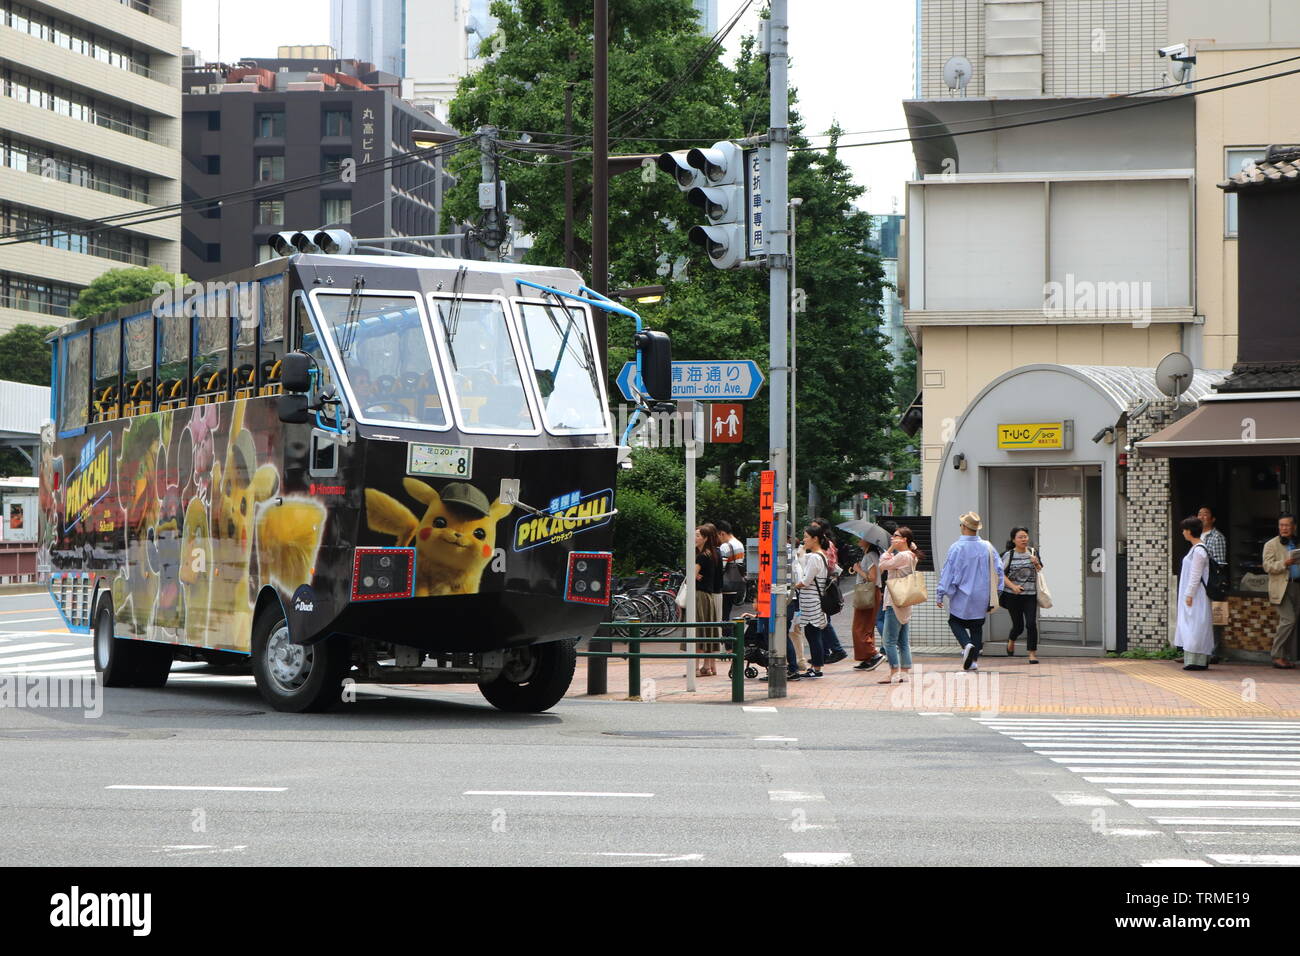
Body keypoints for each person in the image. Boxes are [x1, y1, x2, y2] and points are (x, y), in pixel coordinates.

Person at [936, 511, 1004, 672]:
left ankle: (967, 645)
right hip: (983, 594)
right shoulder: (987, 546)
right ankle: (973, 661)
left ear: (964, 527)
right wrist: (998, 591)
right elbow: (999, 569)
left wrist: (940, 593)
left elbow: (948, 571)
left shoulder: (957, 547)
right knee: (976, 626)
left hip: (961, 593)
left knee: (954, 621)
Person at [875, 528, 922, 684]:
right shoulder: (910, 555)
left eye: (896, 536)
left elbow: (882, 565)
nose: (892, 538)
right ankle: (905, 673)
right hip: (904, 602)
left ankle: (894, 673)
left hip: (895, 602)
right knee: (902, 641)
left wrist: (889, 549)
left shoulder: (903, 556)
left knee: (888, 641)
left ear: (905, 540)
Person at [1174, 516, 1215, 671]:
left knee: (1195, 625)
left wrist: (1189, 594)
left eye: (1184, 530)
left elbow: (1195, 575)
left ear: (1190, 531)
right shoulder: (1196, 549)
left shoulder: (1198, 551)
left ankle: (1196, 660)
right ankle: (1195, 659)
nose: (1183, 533)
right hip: (1194, 594)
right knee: (1193, 625)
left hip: (1196, 595)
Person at [792, 524, 833, 678]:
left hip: (812, 601)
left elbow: (806, 581)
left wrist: (791, 587)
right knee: (813, 635)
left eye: (806, 537)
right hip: (812, 600)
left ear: (815, 539)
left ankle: (817, 668)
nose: (804, 540)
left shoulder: (816, 557)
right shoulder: (819, 555)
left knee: (813, 635)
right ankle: (816, 667)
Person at [1000, 527, 1044, 664]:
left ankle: (1032, 654)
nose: (1024, 539)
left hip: (1030, 594)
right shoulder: (1009, 555)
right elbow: (1000, 574)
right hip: (1013, 595)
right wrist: (1013, 587)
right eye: (1020, 537)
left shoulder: (1033, 552)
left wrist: (1036, 562)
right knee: (1018, 626)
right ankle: (1011, 640)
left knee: (1031, 624)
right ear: (1014, 540)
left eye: (1025, 536)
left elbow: (1040, 569)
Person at [1263, 513, 1300, 669]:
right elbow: (1267, 566)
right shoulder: (1271, 544)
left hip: (1297, 586)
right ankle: (1277, 655)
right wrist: (1284, 563)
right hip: (1281, 587)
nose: (1284, 528)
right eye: (1281, 525)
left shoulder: (1297, 543)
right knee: (1288, 620)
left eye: (1287, 525)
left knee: (1293, 622)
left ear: (1294, 527)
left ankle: (1285, 656)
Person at [810, 517, 848, 664]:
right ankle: (824, 653)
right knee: (822, 619)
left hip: (825, 585)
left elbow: (830, 565)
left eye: (815, 527)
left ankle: (837, 650)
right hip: (822, 584)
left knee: (824, 619)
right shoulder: (821, 544)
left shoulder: (827, 544)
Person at [693, 523, 724, 677]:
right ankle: (709, 666)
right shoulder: (714, 553)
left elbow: (692, 576)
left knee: (698, 631)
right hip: (711, 595)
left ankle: (696, 668)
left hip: (700, 596)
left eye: (698, 535)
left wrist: (694, 575)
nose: (694, 538)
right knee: (709, 631)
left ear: (705, 538)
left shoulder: (702, 556)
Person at [1198, 505, 1227, 663]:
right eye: (1199, 514)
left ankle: (1213, 652)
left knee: (1215, 617)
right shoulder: (1195, 535)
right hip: (1198, 582)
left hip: (1212, 583)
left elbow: (1220, 563)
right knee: (1200, 616)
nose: (1202, 517)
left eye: (1206, 514)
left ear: (1212, 519)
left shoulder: (1217, 537)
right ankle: (1198, 650)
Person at [851, 540, 886, 670]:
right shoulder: (874, 555)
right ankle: (867, 658)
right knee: (866, 627)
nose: (858, 539)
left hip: (867, 592)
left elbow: (872, 577)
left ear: (868, 541)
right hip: (872, 592)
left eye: (861, 537)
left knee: (859, 627)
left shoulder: (870, 556)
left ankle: (873, 655)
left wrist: (858, 569)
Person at [716, 520, 746, 622]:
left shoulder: (725, 546)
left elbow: (721, 567)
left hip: (725, 585)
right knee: (727, 613)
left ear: (722, 533)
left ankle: (726, 636)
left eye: (718, 536)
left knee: (722, 616)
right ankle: (728, 635)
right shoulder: (739, 544)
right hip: (735, 583)